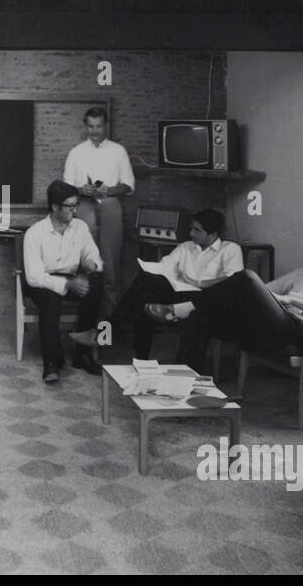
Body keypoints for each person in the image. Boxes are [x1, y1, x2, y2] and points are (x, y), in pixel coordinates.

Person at [73, 223, 303, 373]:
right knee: (204, 316)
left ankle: (181, 308)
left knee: (246, 276)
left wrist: (292, 301)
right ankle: (184, 383)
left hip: (297, 330)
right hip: (270, 320)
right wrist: (264, 297)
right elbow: (266, 290)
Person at [93, 209, 244, 359]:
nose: (191, 233)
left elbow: (232, 280)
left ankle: (110, 330)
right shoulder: (185, 247)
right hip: (179, 294)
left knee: (144, 297)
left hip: (207, 300)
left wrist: (199, 283)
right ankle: (140, 359)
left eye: (197, 230)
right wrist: (156, 271)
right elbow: (165, 266)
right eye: (192, 228)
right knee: (145, 286)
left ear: (213, 234)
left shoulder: (230, 249)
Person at [23, 180, 106, 384]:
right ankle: (52, 362)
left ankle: (83, 354)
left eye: (76, 205)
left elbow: (94, 257)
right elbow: (34, 277)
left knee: (96, 286)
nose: (75, 210)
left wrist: (91, 264)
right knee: (50, 302)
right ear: (54, 207)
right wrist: (68, 285)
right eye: (70, 206)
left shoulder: (80, 227)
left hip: (71, 276)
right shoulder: (35, 233)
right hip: (44, 281)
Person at [63, 106, 134, 314]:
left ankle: (110, 318)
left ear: (106, 126)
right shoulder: (76, 153)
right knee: (86, 260)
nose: (95, 131)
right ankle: (86, 316)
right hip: (84, 205)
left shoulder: (118, 151)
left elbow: (129, 185)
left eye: (99, 126)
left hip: (110, 204)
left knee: (111, 261)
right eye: (91, 126)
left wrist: (109, 190)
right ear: (86, 126)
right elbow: (66, 188)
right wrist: (79, 189)